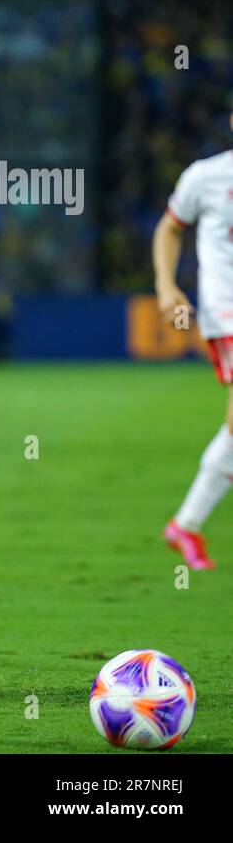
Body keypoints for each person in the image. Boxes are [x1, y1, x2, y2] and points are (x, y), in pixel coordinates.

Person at [152, 103, 233, 570]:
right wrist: (166, 285)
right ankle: (186, 524)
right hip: (227, 315)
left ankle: (186, 524)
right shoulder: (205, 177)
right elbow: (169, 227)